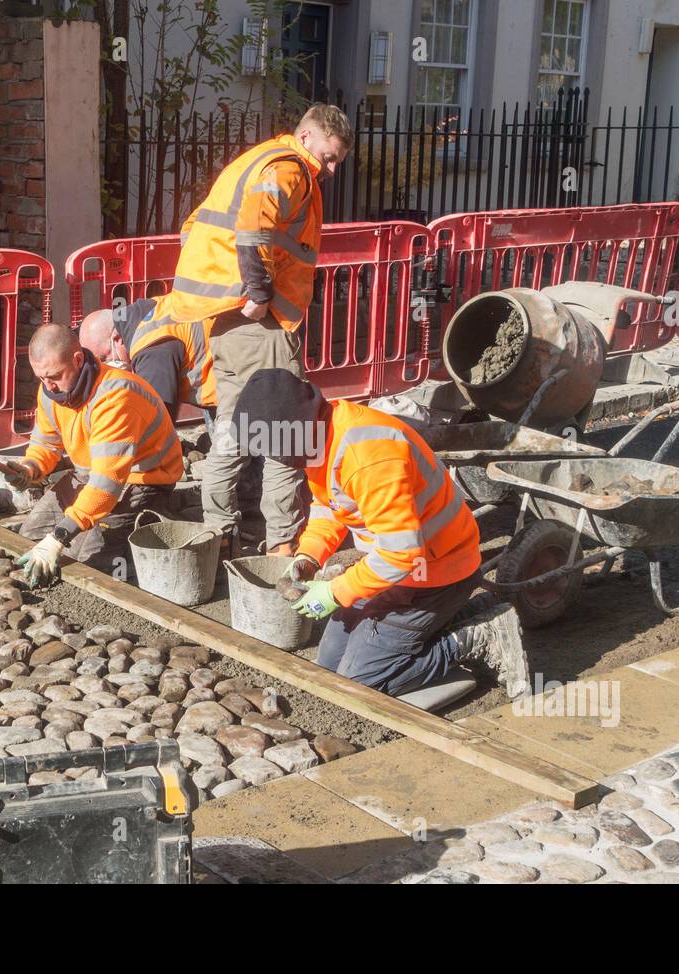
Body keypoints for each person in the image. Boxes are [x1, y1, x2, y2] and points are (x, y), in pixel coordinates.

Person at [231, 368, 529, 699]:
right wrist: (308, 556)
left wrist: (336, 592)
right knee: (328, 667)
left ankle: (480, 635)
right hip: (392, 565)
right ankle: (470, 611)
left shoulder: (366, 456)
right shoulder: (324, 431)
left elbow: (402, 555)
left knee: (358, 684)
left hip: (434, 572)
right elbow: (329, 506)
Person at [152, 103, 353, 558]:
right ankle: (282, 545)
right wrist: (258, 294)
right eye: (331, 155)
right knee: (286, 430)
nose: (332, 169)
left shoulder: (252, 162)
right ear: (306, 139)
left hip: (224, 321)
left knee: (233, 425)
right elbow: (253, 230)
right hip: (261, 323)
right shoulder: (289, 170)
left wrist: (234, 293)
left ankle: (220, 534)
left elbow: (191, 230)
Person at [5, 323, 182, 582]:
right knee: (28, 536)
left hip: (142, 481)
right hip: (90, 475)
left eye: (54, 376)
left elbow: (107, 483)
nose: (48, 386)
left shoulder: (115, 396)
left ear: (77, 360)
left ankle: (150, 537)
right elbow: (46, 442)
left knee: (85, 563)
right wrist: (30, 467)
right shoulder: (51, 391)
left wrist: (60, 536)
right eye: (41, 378)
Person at [76, 298, 215, 424]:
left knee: (228, 449)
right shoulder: (146, 312)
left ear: (116, 339)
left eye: (104, 358)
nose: (106, 366)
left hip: (227, 385)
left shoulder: (151, 349)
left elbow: (157, 421)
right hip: (221, 367)